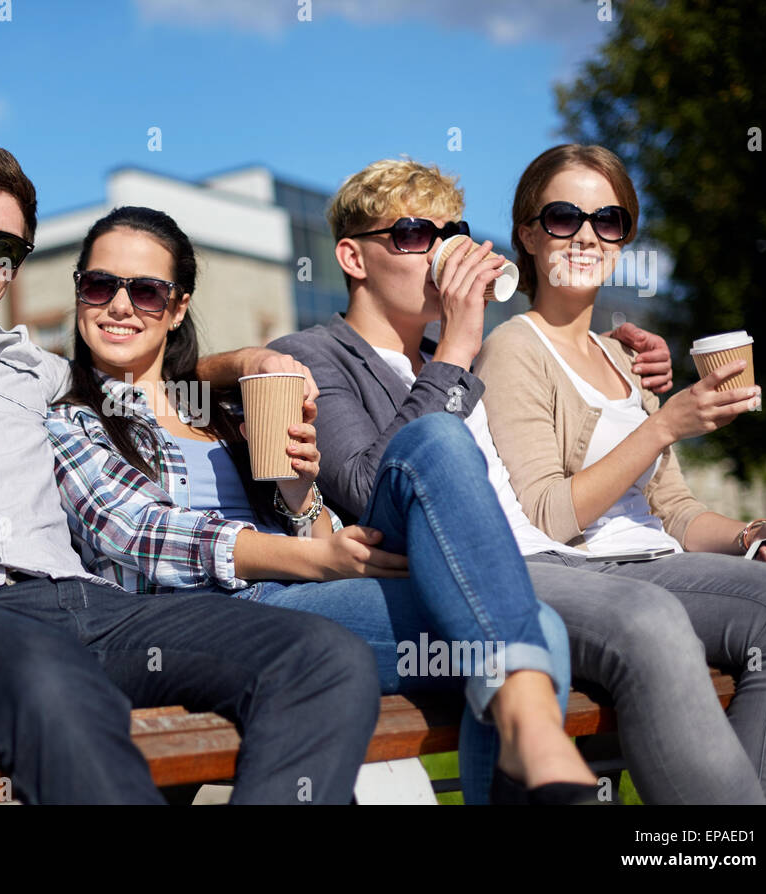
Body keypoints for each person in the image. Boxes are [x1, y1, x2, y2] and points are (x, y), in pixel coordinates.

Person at [0, 141, 381, 805]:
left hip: (90, 604)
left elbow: (143, 368)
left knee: (326, 658)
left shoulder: (36, 368)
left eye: (4, 246)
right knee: (49, 677)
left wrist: (239, 362)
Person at [44, 205, 600, 804]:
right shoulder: (71, 419)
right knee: (446, 467)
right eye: (100, 286)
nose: (121, 307)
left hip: (293, 599)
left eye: (148, 291)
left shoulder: (223, 411)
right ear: (79, 293)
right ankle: (539, 745)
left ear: (178, 307)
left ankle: (532, 738)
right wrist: (315, 558)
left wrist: (298, 493)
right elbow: (137, 535)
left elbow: (314, 533)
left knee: (513, 583)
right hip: (197, 623)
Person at [270, 156, 766, 804]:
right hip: (406, 582)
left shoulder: (461, 357)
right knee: (456, 474)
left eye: (449, 232)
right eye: (410, 236)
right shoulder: (312, 354)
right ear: (351, 257)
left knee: (532, 617)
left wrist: (620, 352)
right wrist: (457, 343)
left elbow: (561, 367)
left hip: (510, 573)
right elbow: (368, 484)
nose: (437, 252)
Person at [473, 143, 766, 803]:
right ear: (529, 233)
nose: (587, 236)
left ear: (625, 237)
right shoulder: (512, 347)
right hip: (563, 571)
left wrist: (750, 534)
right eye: (564, 217)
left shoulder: (627, 361)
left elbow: (674, 512)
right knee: (653, 618)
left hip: (649, 564)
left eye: (610, 220)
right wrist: (664, 424)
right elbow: (548, 516)